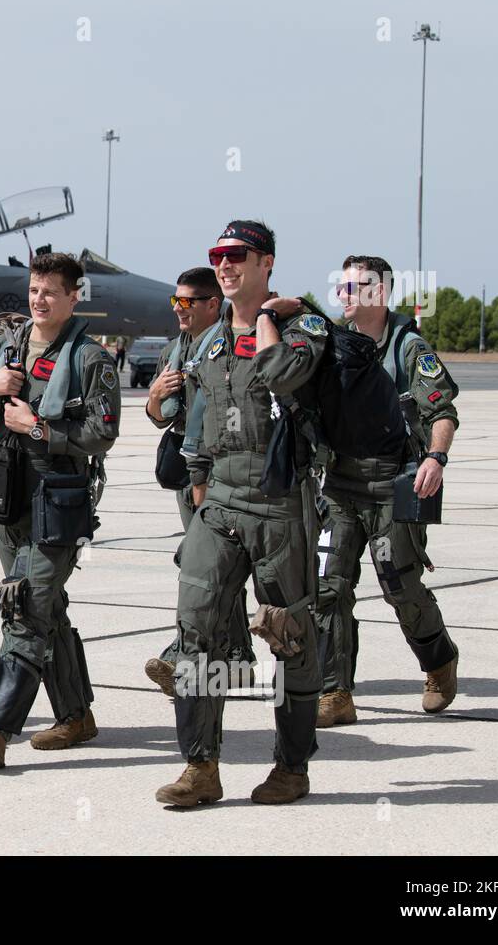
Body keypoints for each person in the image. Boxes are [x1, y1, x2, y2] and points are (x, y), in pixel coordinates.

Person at [155, 220, 326, 807]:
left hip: (280, 503)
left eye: (237, 255)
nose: (225, 265)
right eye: (218, 256)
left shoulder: (304, 326)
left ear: (266, 263)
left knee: (289, 634)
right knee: (196, 626)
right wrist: (198, 483)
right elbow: (197, 417)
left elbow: (283, 374)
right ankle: (200, 767)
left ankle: (292, 767)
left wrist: (267, 322)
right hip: (221, 499)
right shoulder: (208, 340)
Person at [0, 252, 121, 768]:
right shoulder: (0, 346)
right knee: (47, 610)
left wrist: (40, 429)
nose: (39, 299)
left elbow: (103, 434)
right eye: (34, 288)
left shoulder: (91, 359)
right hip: (5, 496)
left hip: (58, 497)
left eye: (51, 291)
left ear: (75, 296)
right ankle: (75, 716)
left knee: (24, 606)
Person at [315, 255, 460, 727]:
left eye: (356, 287)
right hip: (338, 484)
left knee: (400, 584)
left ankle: (438, 661)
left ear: (381, 293)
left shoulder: (408, 347)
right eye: (342, 287)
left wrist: (435, 458)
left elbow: (442, 411)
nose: (345, 295)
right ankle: (335, 692)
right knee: (328, 587)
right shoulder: (329, 345)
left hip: (392, 483)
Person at [143, 269, 255, 696]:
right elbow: (161, 418)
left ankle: (181, 657)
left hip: (220, 476)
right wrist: (156, 396)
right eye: (176, 302)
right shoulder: (174, 351)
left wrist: (204, 481)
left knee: (205, 570)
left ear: (214, 304)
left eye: (188, 303)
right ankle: (240, 658)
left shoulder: (231, 347)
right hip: (189, 477)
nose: (179, 310)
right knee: (213, 569)